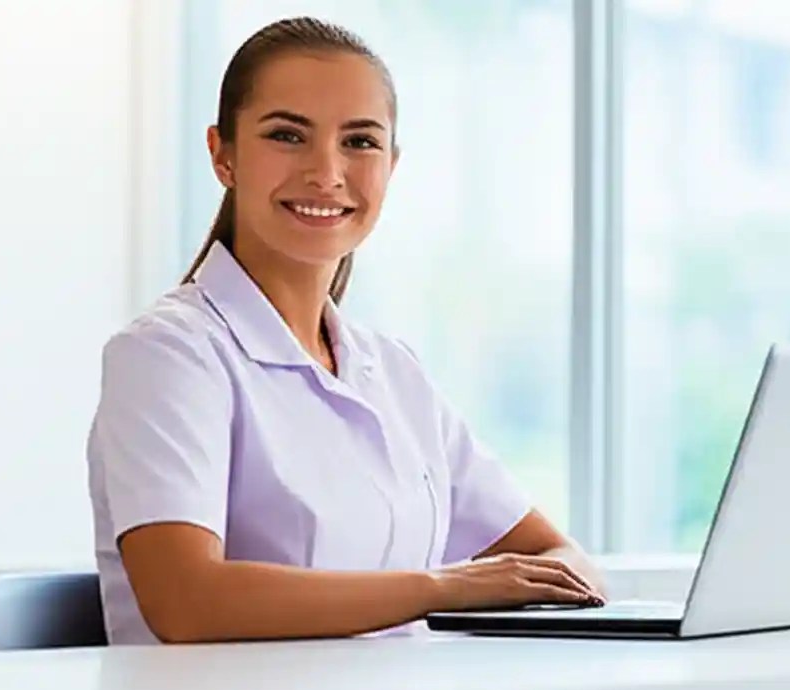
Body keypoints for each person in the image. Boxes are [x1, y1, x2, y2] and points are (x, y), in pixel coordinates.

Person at [86, 16, 606, 645]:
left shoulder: (392, 371)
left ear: (391, 165)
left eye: (359, 142)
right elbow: (186, 602)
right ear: (223, 154)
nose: (327, 172)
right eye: (287, 135)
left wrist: (493, 587)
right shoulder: (168, 355)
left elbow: (565, 562)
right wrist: (441, 589)